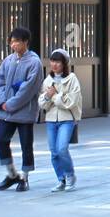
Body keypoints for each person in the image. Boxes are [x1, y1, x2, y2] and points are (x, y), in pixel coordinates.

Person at [0, 27, 43, 192]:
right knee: (1, 140)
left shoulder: (34, 62)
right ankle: (11, 174)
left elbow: (29, 89)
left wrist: (11, 104)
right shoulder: (8, 60)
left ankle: (24, 177)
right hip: (6, 111)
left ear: (25, 42)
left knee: (26, 145)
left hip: (25, 111)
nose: (14, 45)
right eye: (12, 41)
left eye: (17, 41)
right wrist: (1, 102)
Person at [38, 48, 82, 193]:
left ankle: (70, 176)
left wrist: (55, 96)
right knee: (54, 152)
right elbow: (42, 104)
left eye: (58, 61)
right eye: (52, 61)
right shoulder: (48, 81)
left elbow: (72, 102)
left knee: (62, 149)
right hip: (51, 119)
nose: (54, 64)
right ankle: (61, 179)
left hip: (67, 119)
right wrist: (47, 97)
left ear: (64, 63)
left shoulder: (72, 79)